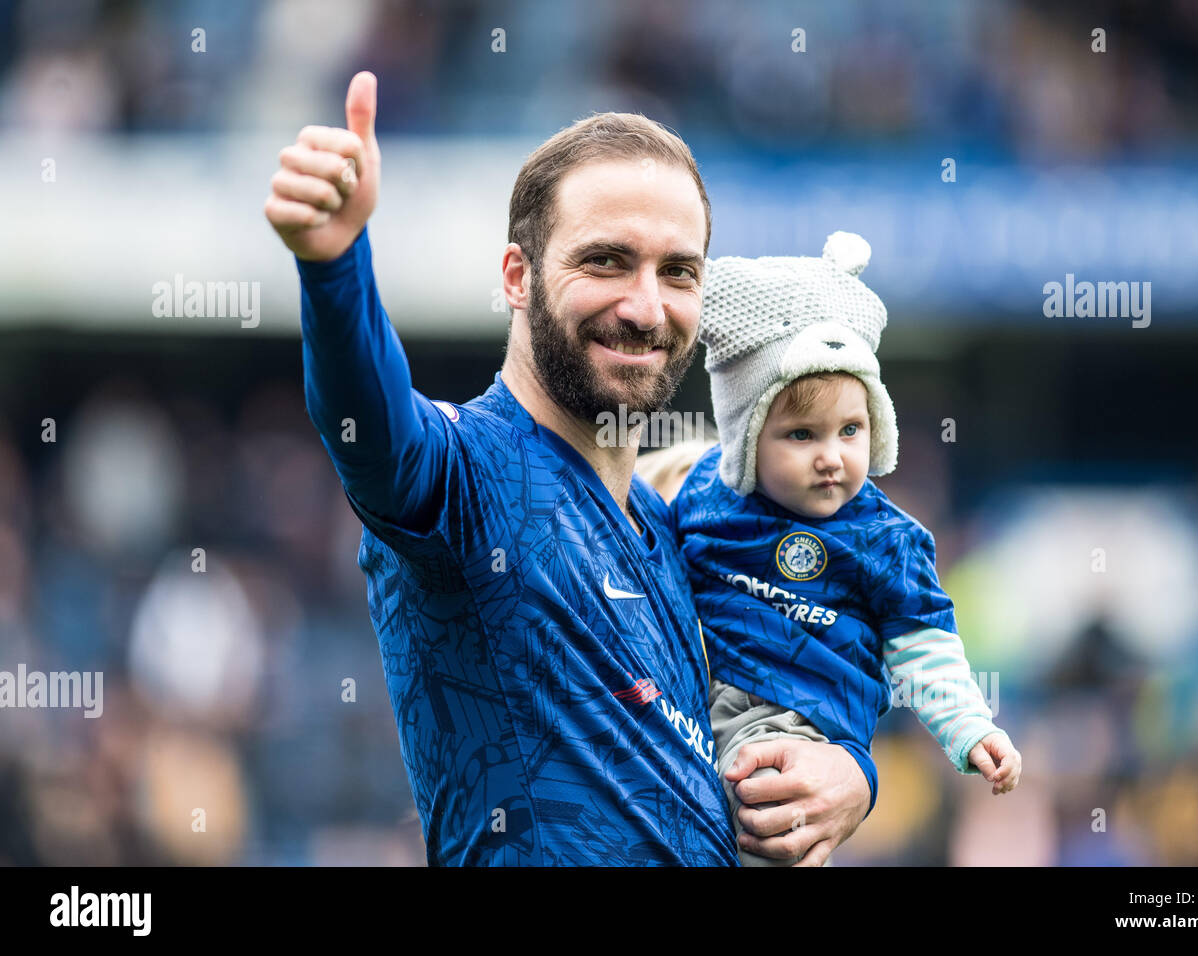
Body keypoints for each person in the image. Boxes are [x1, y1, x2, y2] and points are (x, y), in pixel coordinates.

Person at [262, 71, 872, 865]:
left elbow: (805, 670)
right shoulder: (469, 474)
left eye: (678, 271)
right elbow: (370, 429)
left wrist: (850, 773)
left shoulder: (671, 526)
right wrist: (336, 266)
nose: (647, 307)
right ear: (517, 277)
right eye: (607, 261)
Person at [668, 231, 1023, 866]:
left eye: (850, 430)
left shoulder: (885, 539)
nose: (831, 456)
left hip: (803, 727)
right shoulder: (702, 495)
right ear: (747, 438)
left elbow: (925, 649)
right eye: (801, 434)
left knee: (765, 827)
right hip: (696, 707)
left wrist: (970, 730)